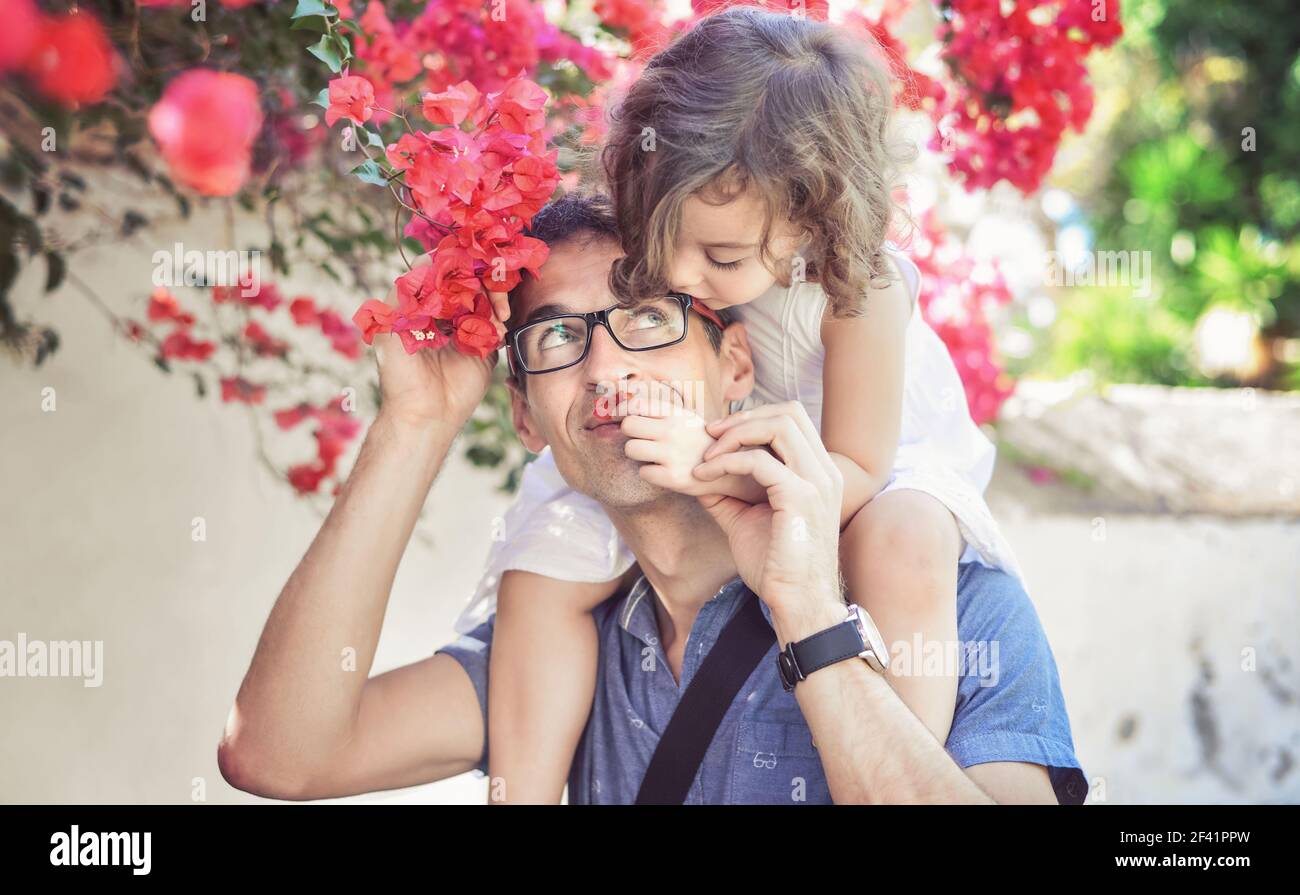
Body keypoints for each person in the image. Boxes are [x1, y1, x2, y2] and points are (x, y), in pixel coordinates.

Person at [217, 193, 1088, 805]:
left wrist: (812, 612)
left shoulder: (957, 608)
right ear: (524, 413)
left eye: (645, 317)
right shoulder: (558, 639)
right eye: (557, 335)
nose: (606, 371)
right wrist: (413, 424)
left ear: (737, 364)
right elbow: (275, 756)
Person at [473, 6, 1025, 802]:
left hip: (849, 467)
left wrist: (713, 464)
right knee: (542, 554)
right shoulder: (695, 240)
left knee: (902, 539)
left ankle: (897, 753)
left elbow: (858, 468)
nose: (683, 275)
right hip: (733, 436)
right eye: (666, 239)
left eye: (721, 256)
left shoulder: (857, 290)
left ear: (810, 218)